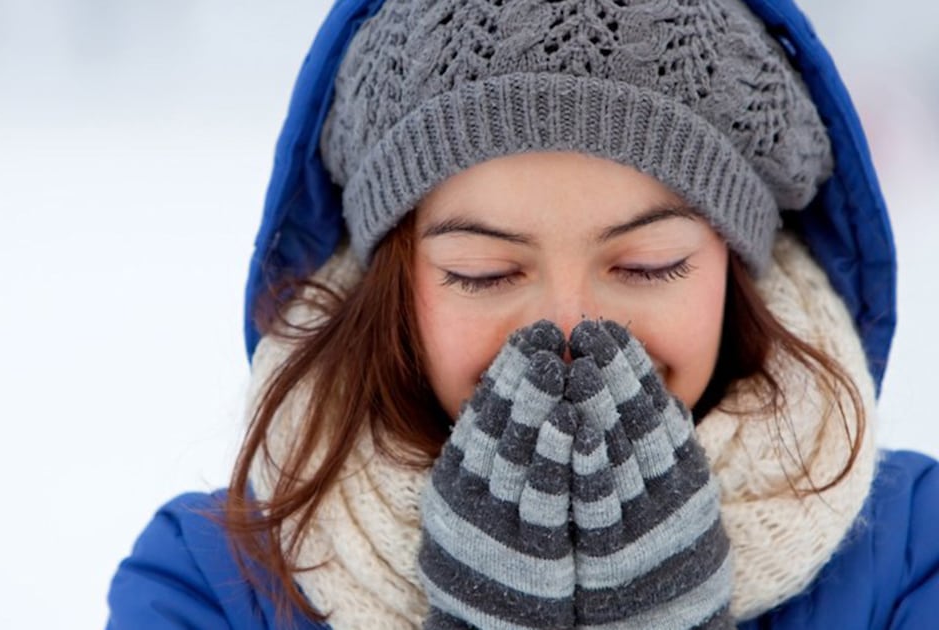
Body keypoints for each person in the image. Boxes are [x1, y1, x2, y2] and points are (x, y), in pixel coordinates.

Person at [106, 0, 939, 628]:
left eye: (647, 265)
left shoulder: (913, 552)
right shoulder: (206, 586)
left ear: (736, 267)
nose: (571, 333)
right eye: (486, 273)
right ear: (393, 284)